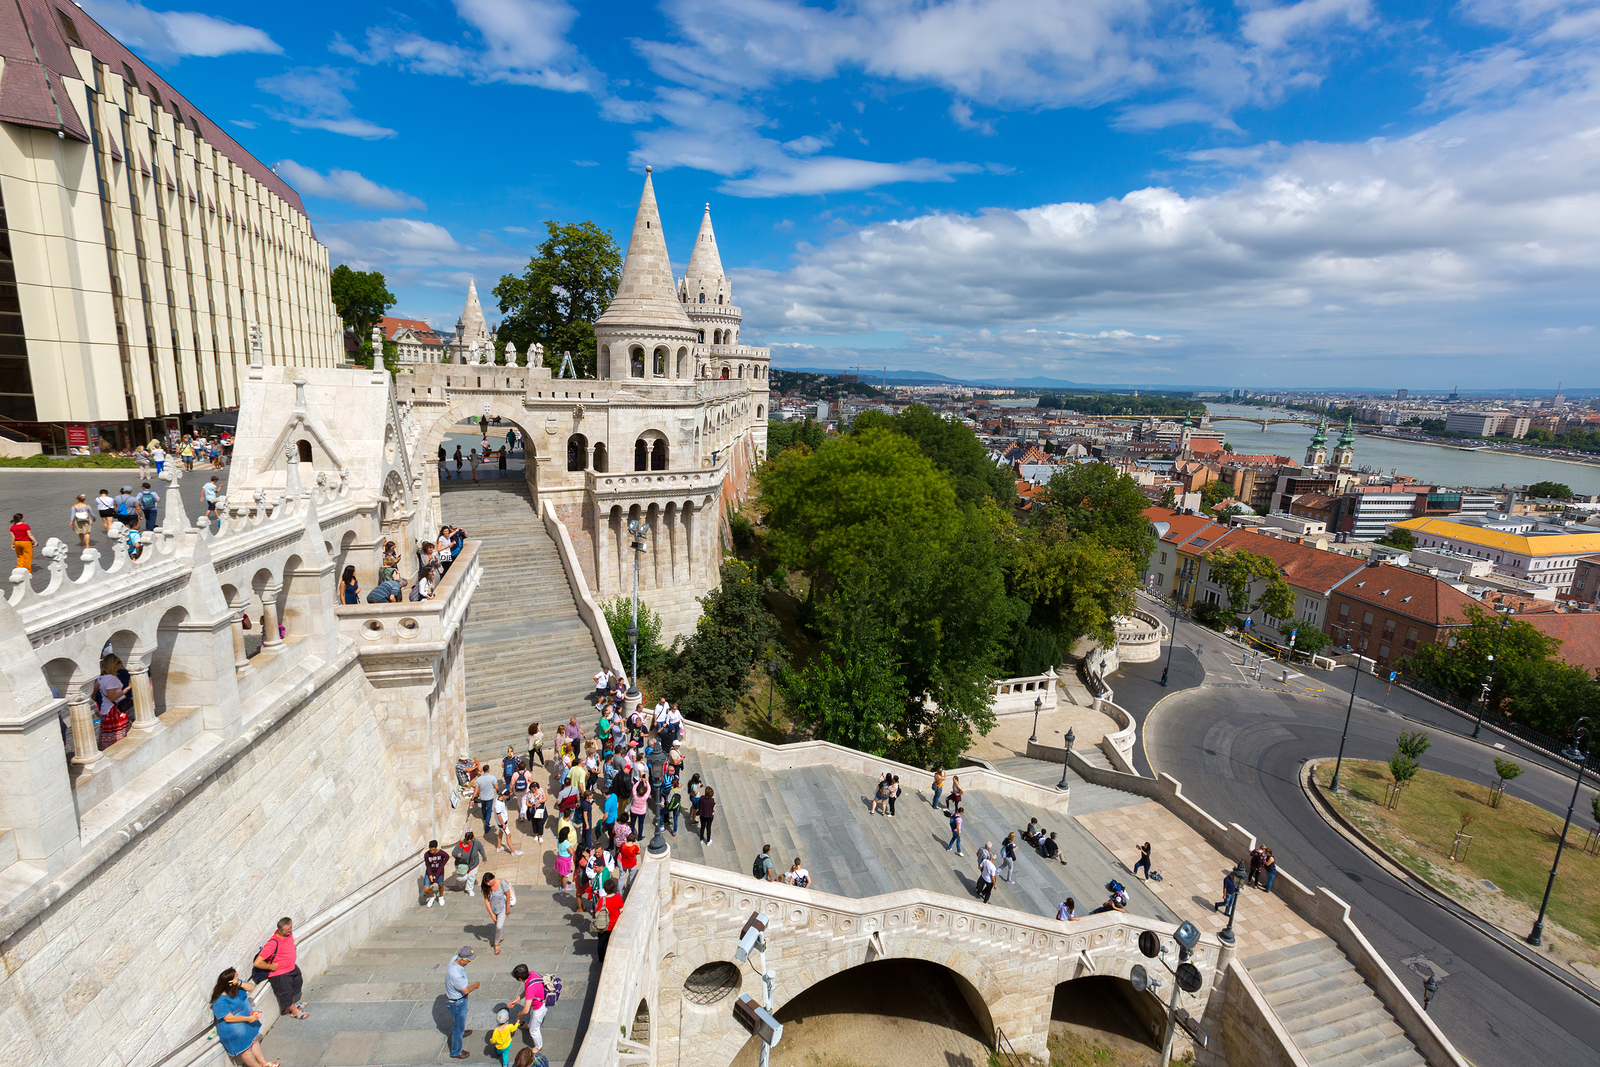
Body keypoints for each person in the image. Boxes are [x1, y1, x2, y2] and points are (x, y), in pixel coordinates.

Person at [210, 968, 273, 1067]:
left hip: (246, 1022)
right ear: (230, 982)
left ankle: (264, 1063)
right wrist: (248, 1019)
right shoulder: (220, 1001)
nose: (238, 976)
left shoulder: (237, 985)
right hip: (234, 1028)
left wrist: (239, 983)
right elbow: (228, 1018)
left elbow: (251, 987)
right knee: (246, 1049)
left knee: (254, 1040)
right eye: (236, 976)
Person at [252, 917, 307, 1020]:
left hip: (291, 968)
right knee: (286, 992)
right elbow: (257, 962)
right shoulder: (272, 943)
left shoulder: (288, 934)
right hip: (280, 974)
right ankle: (294, 1011)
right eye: (287, 930)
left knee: (297, 984)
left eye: (290, 928)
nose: (290, 931)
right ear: (280, 931)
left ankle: (289, 1008)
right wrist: (270, 966)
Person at [445, 946, 479, 1059]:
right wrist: (475, 986)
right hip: (457, 1002)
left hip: (457, 1000)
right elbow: (465, 990)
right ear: (461, 959)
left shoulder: (455, 958)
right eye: (468, 960)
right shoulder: (456, 974)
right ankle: (455, 1051)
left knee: (459, 1022)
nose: (468, 963)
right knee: (457, 1029)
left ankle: (461, 1031)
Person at [510, 964, 550, 1058]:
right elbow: (527, 990)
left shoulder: (531, 989)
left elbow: (525, 1010)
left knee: (534, 1031)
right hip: (540, 1001)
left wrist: (519, 1016)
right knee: (532, 1017)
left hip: (539, 1008)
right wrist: (517, 1000)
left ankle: (538, 1046)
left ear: (520, 979)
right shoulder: (532, 974)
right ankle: (529, 1025)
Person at [594, 877, 624, 962]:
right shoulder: (618, 897)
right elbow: (621, 909)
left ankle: (601, 959)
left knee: (601, 943)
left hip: (604, 926)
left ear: (605, 889)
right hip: (614, 925)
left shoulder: (602, 900)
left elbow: (597, 914)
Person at [483, 872, 512, 954]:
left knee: (499, 927)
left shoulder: (502, 883)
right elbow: (486, 900)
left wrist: (507, 908)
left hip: (502, 908)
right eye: (487, 883)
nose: (488, 884)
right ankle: (500, 937)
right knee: (497, 925)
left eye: (489, 882)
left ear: (493, 878)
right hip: (493, 909)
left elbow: (508, 894)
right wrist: (491, 914)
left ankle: (496, 944)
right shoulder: (486, 887)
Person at [452, 831, 485, 896]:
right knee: (461, 879)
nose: (469, 840)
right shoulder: (460, 845)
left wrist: (484, 857)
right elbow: (454, 853)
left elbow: (481, 848)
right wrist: (457, 855)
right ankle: (463, 883)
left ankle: (469, 889)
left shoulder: (476, 842)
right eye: (468, 839)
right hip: (463, 865)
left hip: (474, 864)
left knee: (471, 876)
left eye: (471, 839)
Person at [475, 764, 501, 836]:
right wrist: (498, 791)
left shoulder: (479, 779)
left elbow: (476, 789)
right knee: (489, 810)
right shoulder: (492, 778)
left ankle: (484, 816)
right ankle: (487, 826)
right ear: (488, 770)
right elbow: (496, 787)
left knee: (483, 807)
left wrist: (474, 797)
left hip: (482, 797)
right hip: (490, 797)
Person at [423, 839, 449, 907]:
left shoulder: (441, 853)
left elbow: (446, 858)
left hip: (439, 872)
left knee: (440, 885)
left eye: (433, 850)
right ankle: (432, 896)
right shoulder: (426, 854)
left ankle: (440, 896)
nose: (431, 851)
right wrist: (430, 875)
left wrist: (436, 876)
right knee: (426, 889)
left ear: (436, 848)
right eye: (430, 850)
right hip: (430, 872)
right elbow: (427, 865)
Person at [555, 826, 575, 892]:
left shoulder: (559, 840)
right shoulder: (566, 843)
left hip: (559, 859)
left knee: (561, 874)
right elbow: (572, 852)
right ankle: (564, 887)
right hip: (565, 862)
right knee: (565, 875)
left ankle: (561, 885)